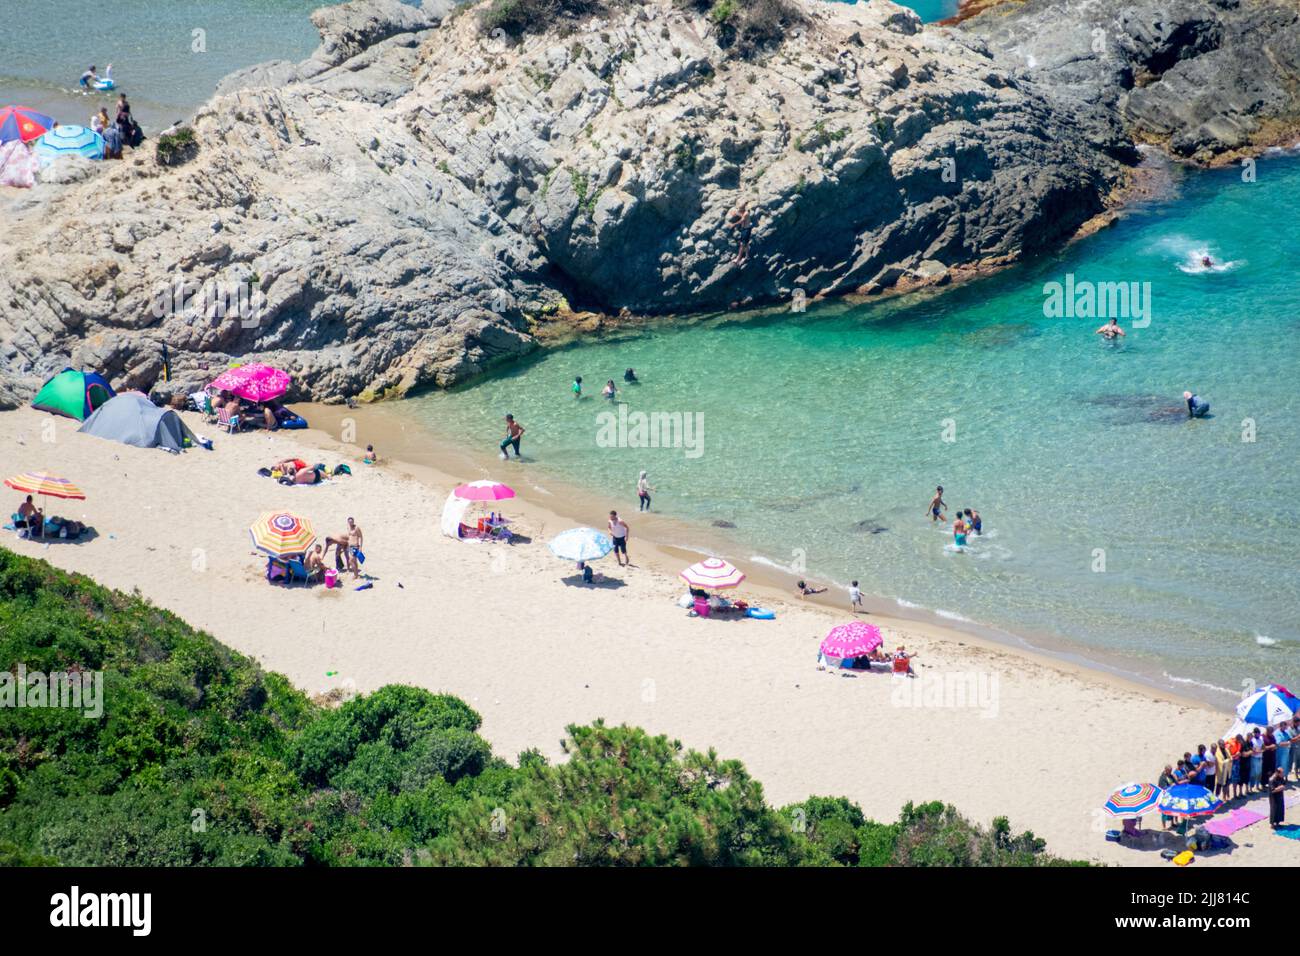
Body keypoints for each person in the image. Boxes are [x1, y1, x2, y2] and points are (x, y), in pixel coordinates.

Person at [726, 200, 753, 265]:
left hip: (746, 230)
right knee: (746, 244)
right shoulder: (744, 212)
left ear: (743, 209)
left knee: (742, 245)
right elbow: (741, 215)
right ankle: (747, 256)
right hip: (745, 229)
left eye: (740, 209)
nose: (739, 210)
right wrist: (736, 213)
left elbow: (742, 220)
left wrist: (733, 224)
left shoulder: (746, 213)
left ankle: (738, 259)